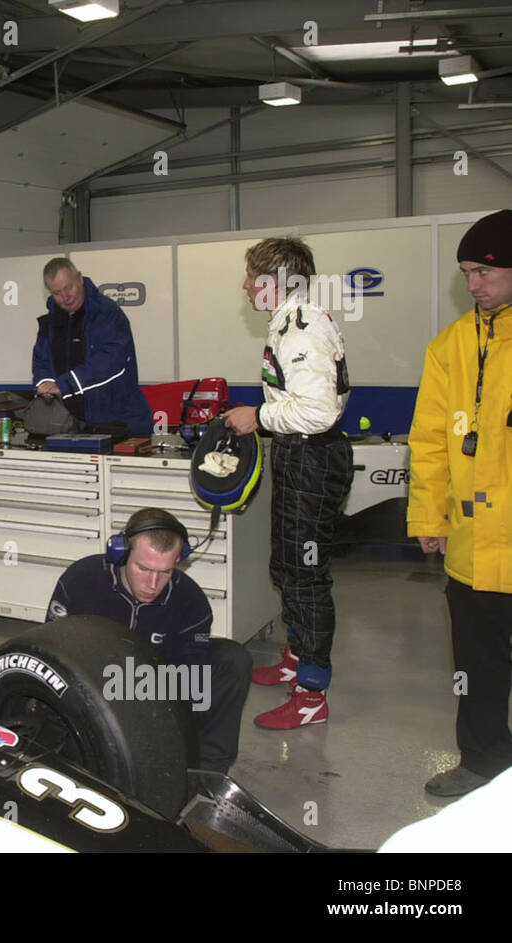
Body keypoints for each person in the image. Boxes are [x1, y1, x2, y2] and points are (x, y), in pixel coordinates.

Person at [222, 236, 352, 729]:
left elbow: (317, 411)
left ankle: (312, 693)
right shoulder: (292, 323)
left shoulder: (301, 330)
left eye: (252, 276)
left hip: (312, 458)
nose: (245, 285)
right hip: (300, 455)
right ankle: (297, 659)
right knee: (288, 565)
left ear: (275, 282)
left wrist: (255, 415)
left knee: (307, 578)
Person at [408, 209, 512, 797]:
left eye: (486, 271)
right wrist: (428, 517)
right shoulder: (449, 346)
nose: (473, 284)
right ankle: (483, 761)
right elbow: (427, 440)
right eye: (468, 272)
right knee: (476, 666)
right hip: (472, 549)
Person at [45, 508, 252, 773]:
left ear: (179, 560)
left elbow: (187, 683)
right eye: (143, 568)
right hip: (87, 689)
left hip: (151, 690)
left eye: (165, 571)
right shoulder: (80, 581)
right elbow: (51, 652)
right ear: (122, 553)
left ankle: (206, 774)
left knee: (232, 659)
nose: (152, 583)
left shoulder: (191, 602)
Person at [32, 257, 153, 437]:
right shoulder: (50, 323)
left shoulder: (108, 314)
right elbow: (41, 360)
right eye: (57, 293)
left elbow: (111, 361)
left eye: (69, 288)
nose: (65, 297)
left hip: (118, 424)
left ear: (80, 279)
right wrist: (45, 384)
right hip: (67, 426)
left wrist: (65, 385)